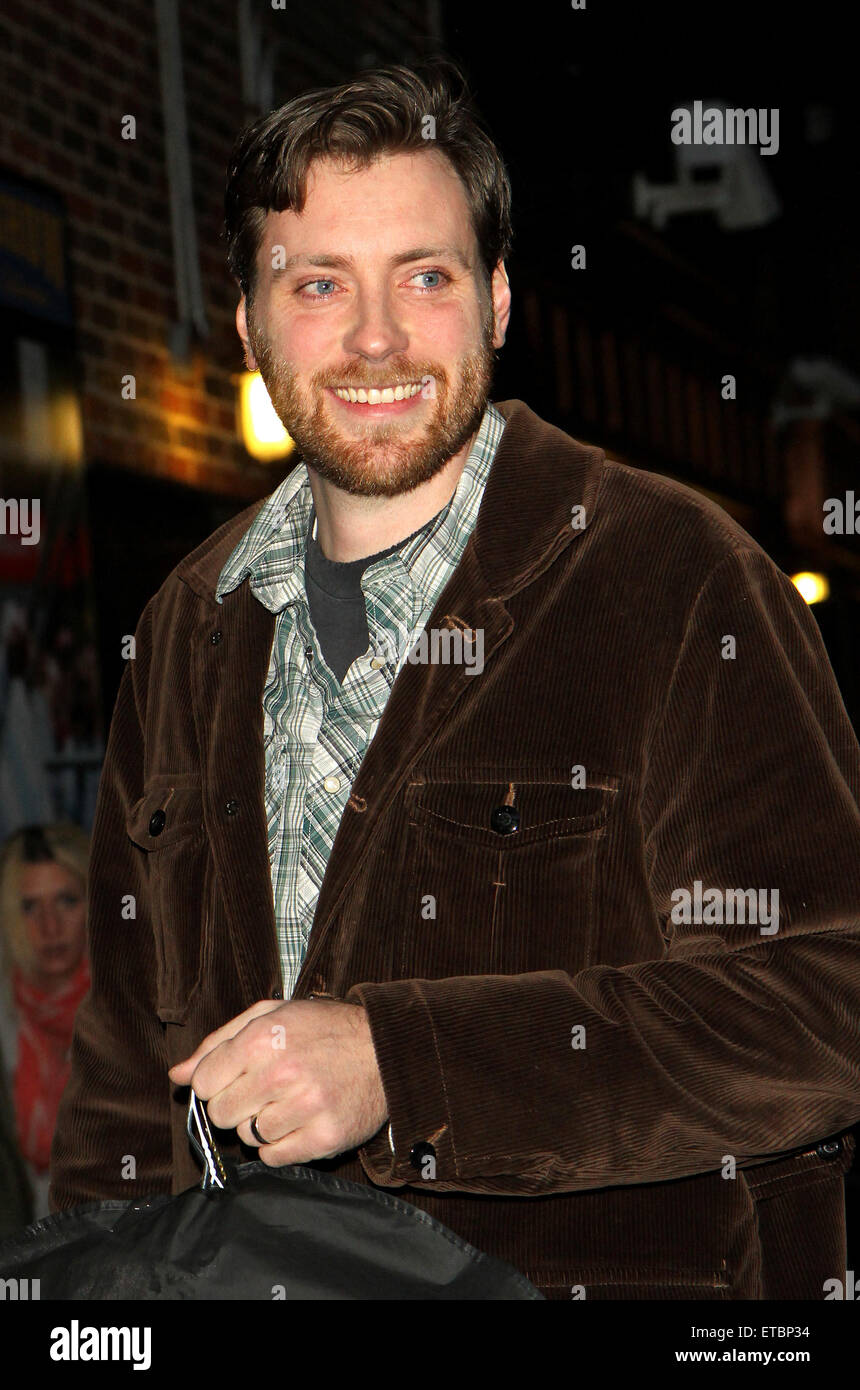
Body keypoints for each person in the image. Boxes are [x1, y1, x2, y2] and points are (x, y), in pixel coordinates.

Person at [50, 60, 860, 1300]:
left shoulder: (671, 576)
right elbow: (119, 1073)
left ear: (492, 303)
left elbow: (822, 1002)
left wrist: (407, 1063)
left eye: (422, 277)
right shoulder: (186, 626)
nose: (375, 337)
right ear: (250, 321)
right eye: (319, 284)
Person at [0, 822, 90, 1222]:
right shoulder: (6, 1015)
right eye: (30, 907)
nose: (49, 928)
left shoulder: (135, 1008)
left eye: (67, 901)